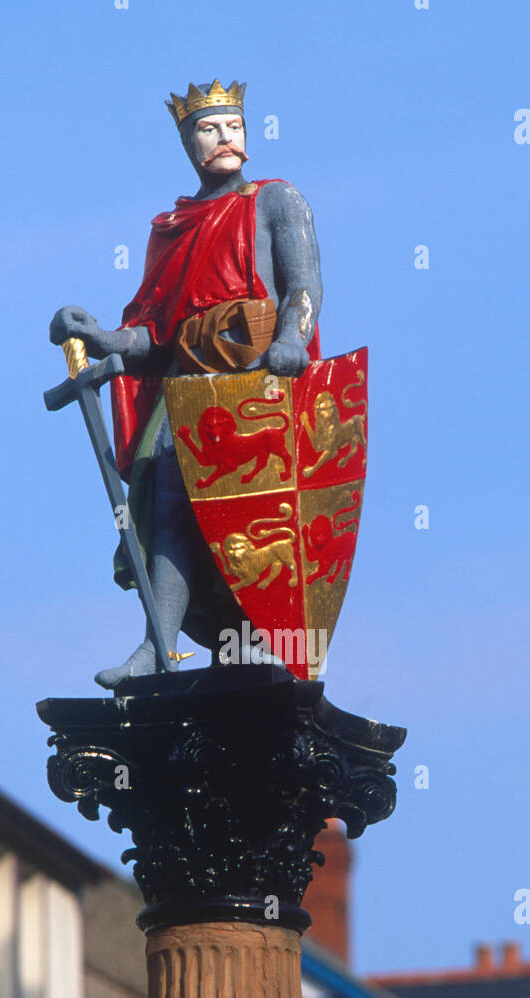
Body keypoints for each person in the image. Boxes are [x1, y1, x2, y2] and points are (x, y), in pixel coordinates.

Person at [50, 80, 323, 688]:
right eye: (209, 128)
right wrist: (99, 336)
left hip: (251, 379)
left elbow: (303, 288)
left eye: (233, 125)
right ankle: (158, 646)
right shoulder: (172, 227)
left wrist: (290, 340)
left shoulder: (277, 201)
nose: (225, 136)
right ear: (187, 142)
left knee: (253, 517)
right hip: (185, 385)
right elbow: (154, 336)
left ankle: (265, 638)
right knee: (169, 514)